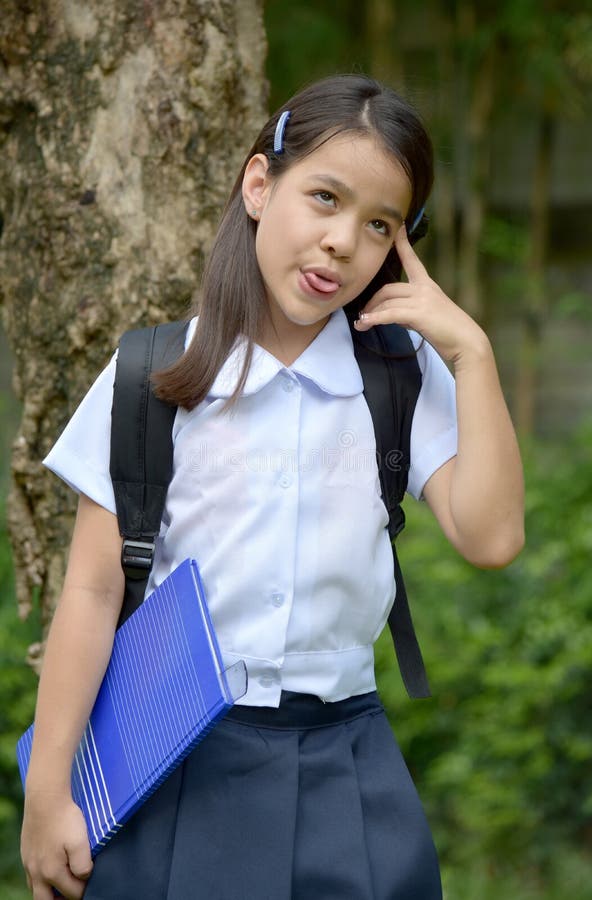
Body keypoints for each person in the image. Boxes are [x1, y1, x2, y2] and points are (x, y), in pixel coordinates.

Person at [20, 73, 524, 900]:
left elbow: (494, 537)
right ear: (260, 185)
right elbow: (90, 588)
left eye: (378, 225)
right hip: (176, 764)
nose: (340, 243)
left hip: (345, 762)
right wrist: (47, 793)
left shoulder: (399, 374)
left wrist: (471, 352)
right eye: (323, 197)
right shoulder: (154, 376)